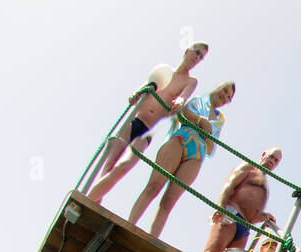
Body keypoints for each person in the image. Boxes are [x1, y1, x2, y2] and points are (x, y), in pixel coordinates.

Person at [86, 43, 209, 204]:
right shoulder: (164, 71)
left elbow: (183, 96)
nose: (197, 58)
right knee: (108, 166)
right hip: (134, 120)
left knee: (123, 167)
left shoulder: (191, 81)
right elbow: (142, 88)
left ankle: (85, 200)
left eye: (201, 57)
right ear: (187, 51)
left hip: (148, 130)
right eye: (197, 52)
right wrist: (136, 94)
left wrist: (180, 101)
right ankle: (90, 203)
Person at [127, 81, 235, 238]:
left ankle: (151, 239)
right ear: (218, 86)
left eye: (228, 97)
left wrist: (207, 131)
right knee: (154, 187)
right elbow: (182, 114)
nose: (224, 96)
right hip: (180, 139)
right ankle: (128, 224)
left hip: (197, 155)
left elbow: (211, 150)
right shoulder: (197, 100)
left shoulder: (219, 120)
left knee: (169, 201)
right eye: (224, 91)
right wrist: (200, 122)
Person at [201, 147, 282, 252]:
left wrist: (264, 216)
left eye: (276, 160)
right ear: (264, 154)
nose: (272, 161)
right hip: (230, 215)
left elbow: (253, 215)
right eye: (271, 156)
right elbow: (229, 185)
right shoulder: (249, 167)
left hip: (244, 228)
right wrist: (220, 206)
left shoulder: (265, 186)